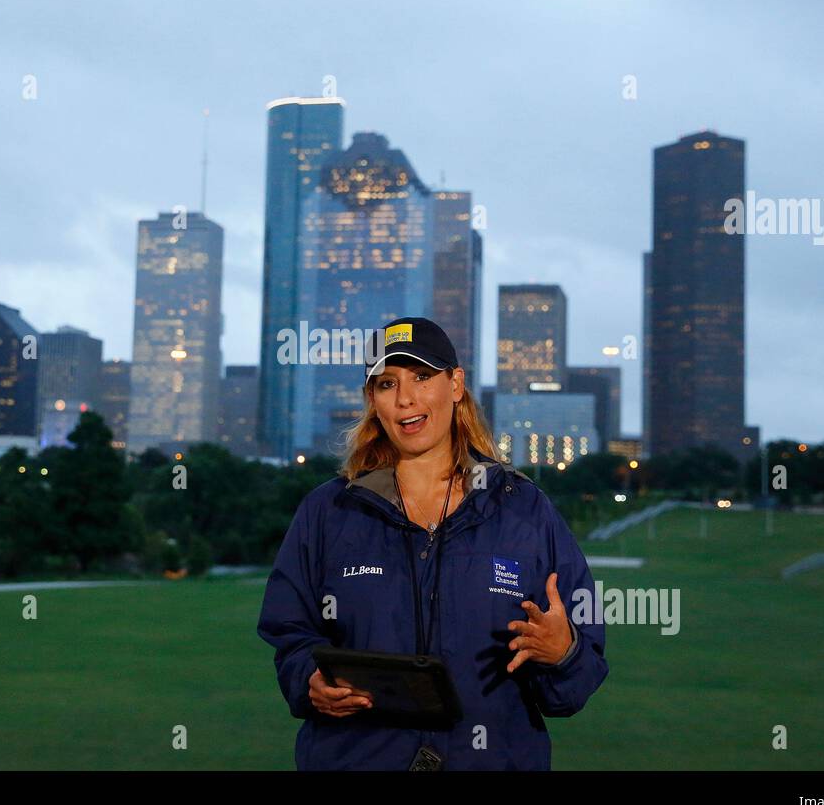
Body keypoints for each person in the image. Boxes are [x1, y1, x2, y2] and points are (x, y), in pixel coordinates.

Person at [257, 316, 609, 770]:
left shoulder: (523, 510)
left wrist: (563, 653)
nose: (406, 399)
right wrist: (309, 680)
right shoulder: (330, 512)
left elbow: (575, 687)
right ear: (372, 400)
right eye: (387, 383)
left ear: (456, 384)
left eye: (422, 377)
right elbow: (290, 633)